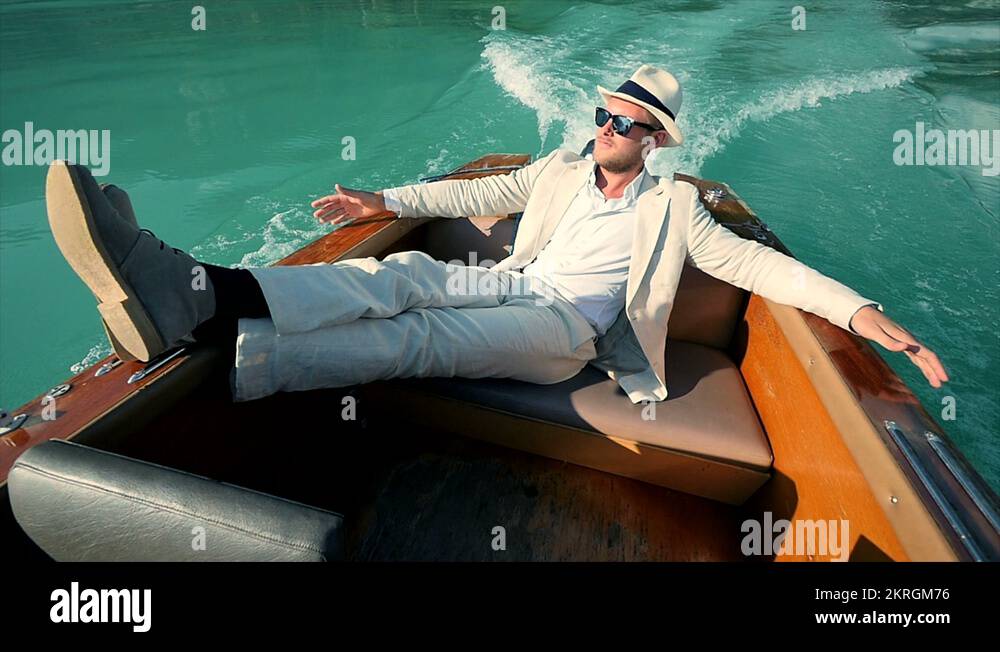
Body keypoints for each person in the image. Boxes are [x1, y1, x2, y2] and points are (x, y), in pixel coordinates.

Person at [45, 65, 947, 404]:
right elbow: (464, 189)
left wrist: (864, 313)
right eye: (605, 111)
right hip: (516, 284)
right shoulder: (559, 168)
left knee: (421, 336)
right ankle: (199, 294)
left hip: (572, 330)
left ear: (657, 142)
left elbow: (758, 266)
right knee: (396, 272)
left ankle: (218, 358)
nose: (609, 126)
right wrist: (376, 200)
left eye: (630, 122)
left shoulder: (677, 209)